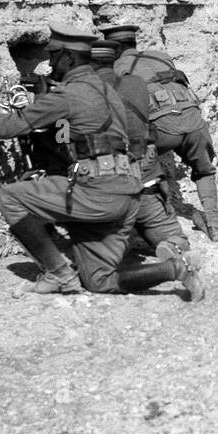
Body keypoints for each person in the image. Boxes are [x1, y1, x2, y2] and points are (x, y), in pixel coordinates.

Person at [0, 24, 196, 297]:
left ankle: (58, 274)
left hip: (98, 192)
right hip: (129, 191)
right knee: (99, 281)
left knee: (11, 197)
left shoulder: (68, 94)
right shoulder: (106, 90)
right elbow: (70, 132)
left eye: (54, 57)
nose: (49, 63)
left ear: (69, 59)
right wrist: (45, 97)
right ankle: (174, 269)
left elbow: (8, 128)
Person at [102, 24, 218, 244]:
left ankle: (161, 229)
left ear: (114, 49)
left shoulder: (118, 66)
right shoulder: (161, 57)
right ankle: (214, 223)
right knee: (204, 170)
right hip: (194, 122)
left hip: (162, 129)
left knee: (144, 171)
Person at [90, 39, 205, 299]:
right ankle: (173, 247)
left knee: (96, 274)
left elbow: (62, 139)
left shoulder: (83, 91)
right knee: (170, 236)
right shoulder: (136, 84)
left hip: (109, 187)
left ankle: (60, 269)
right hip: (147, 177)